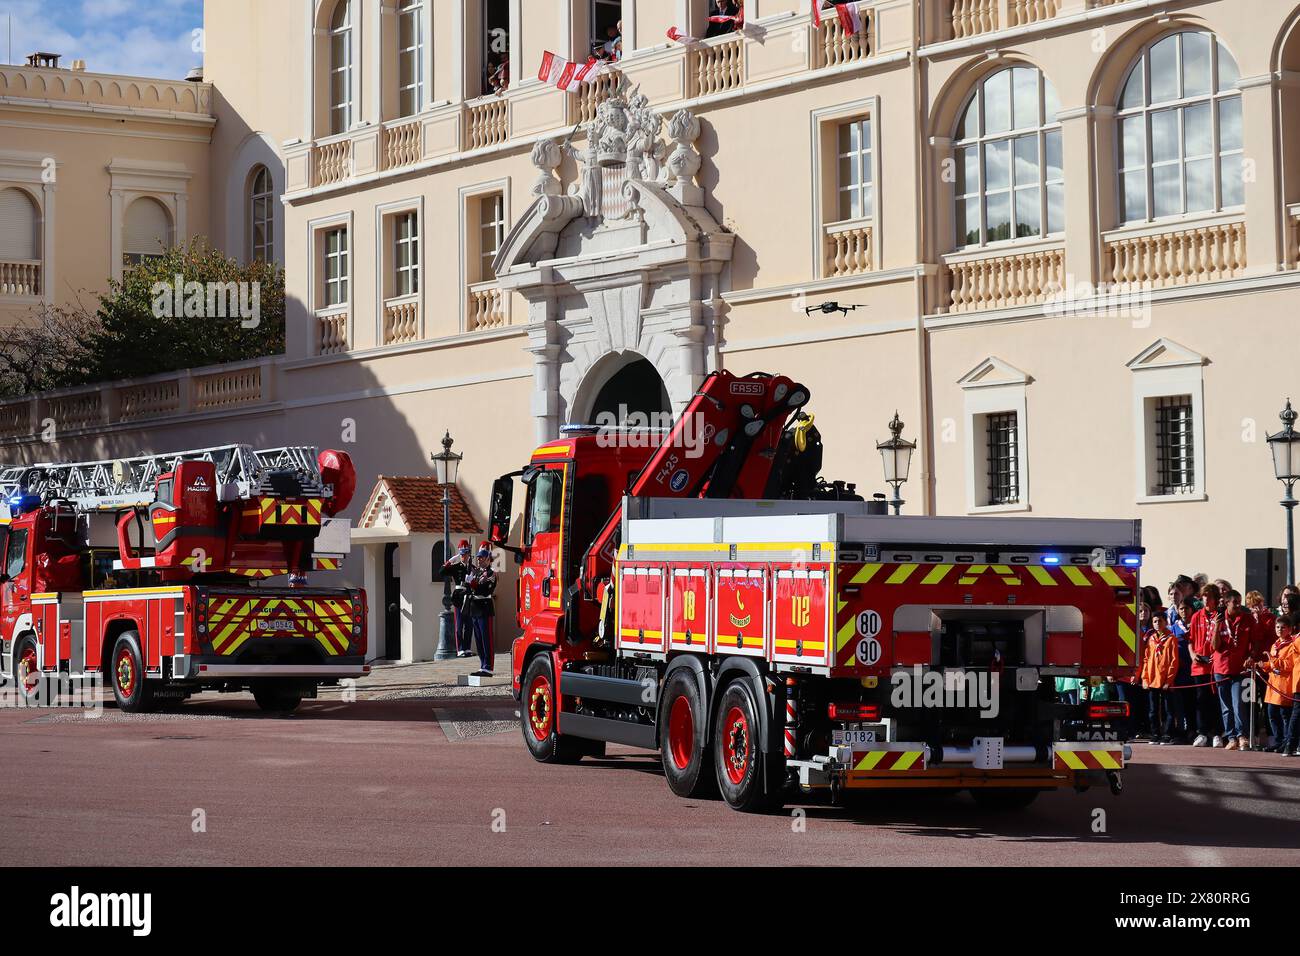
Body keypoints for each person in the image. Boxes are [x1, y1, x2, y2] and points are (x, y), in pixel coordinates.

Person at [1212, 589, 1251, 750]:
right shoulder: (1219, 620)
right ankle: (1231, 737)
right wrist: (1216, 626)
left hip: (1239, 669)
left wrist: (1251, 656)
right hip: (1221, 668)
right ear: (1226, 603)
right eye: (1234, 602)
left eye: (1239, 601)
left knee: (1238, 704)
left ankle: (1242, 735)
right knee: (1226, 706)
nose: (1238, 605)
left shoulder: (1247, 619)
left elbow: (1253, 642)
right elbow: (1214, 646)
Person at [1187, 583, 1225, 747]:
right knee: (1201, 700)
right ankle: (1202, 733)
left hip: (1216, 666)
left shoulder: (1221, 616)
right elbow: (1190, 641)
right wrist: (1193, 655)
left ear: (1216, 599)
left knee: (1216, 700)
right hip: (1199, 666)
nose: (1206, 599)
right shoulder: (1196, 616)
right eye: (1204, 596)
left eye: (1209, 596)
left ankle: (1217, 733)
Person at [1141, 610, 1183, 744]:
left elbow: (1174, 661)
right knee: (1153, 710)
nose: (1157, 623)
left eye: (1160, 621)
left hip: (1166, 681)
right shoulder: (1151, 639)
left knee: (1168, 709)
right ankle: (1155, 733)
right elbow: (1146, 660)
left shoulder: (1171, 639)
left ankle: (1167, 733)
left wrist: (1169, 680)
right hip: (1152, 680)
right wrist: (1145, 678)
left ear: (1165, 622)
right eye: (1155, 621)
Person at [1262, 615, 1296, 753]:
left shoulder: (1292, 645)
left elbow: (1289, 665)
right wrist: (1263, 665)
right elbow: (1272, 665)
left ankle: (1287, 742)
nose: (1279, 630)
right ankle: (1278, 740)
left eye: (1283, 627)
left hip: (1284, 686)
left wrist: (1273, 661)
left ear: (1289, 629)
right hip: (1273, 686)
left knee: (1285, 715)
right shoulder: (1275, 645)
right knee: (1271, 714)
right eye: (1277, 627)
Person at [465, 543, 498, 677]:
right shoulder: (476, 572)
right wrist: (468, 582)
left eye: (482, 557)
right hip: (475, 608)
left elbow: (485, 590)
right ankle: (482, 664)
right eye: (478, 557)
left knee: (486, 639)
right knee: (478, 639)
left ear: (489, 559)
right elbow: (470, 589)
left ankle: (488, 666)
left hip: (484, 607)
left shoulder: (491, 574)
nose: (479, 560)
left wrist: (472, 583)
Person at [439, 540, 475, 658]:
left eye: (466, 554)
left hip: (469, 595)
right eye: (462, 555)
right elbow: (442, 571)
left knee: (469, 624)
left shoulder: (472, 568)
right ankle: (460, 648)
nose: (464, 557)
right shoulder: (456, 567)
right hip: (459, 596)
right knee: (459, 624)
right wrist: (450, 561)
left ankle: (467, 647)